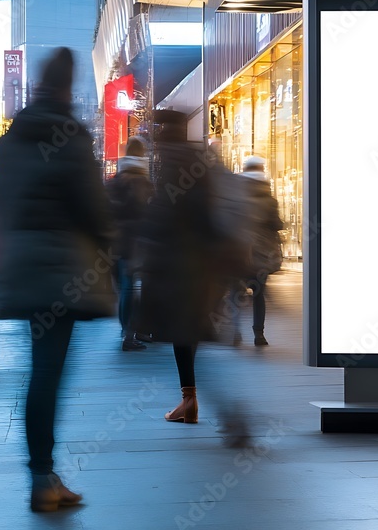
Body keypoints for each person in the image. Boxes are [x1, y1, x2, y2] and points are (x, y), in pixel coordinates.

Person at [0, 47, 114, 512]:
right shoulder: (71, 137)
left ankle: (43, 475)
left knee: (41, 369)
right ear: (68, 87)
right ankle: (43, 476)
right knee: (48, 372)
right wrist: (110, 248)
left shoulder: (9, 141)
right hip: (63, 272)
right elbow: (93, 210)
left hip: (23, 267)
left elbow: (2, 202)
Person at [139, 110, 220, 425]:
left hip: (177, 264)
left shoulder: (170, 163)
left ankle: (196, 402)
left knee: (183, 331)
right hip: (197, 263)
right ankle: (190, 400)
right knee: (188, 330)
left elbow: (166, 213)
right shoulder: (196, 159)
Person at [231, 156, 284, 346]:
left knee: (235, 293)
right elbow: (277, 224)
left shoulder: (235, 195)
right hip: (261, 255)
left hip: (239, 252)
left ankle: (235, 332)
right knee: (259, 294)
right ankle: (259, 335)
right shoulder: (269, 199)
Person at [106, 137, 154, 351]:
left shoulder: (116, 181)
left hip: (118, 242)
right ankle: (132, 333)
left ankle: (130, 330)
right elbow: (149, 213)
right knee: (136, 287)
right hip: (139, 242)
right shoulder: (143, 182)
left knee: (126, 287)